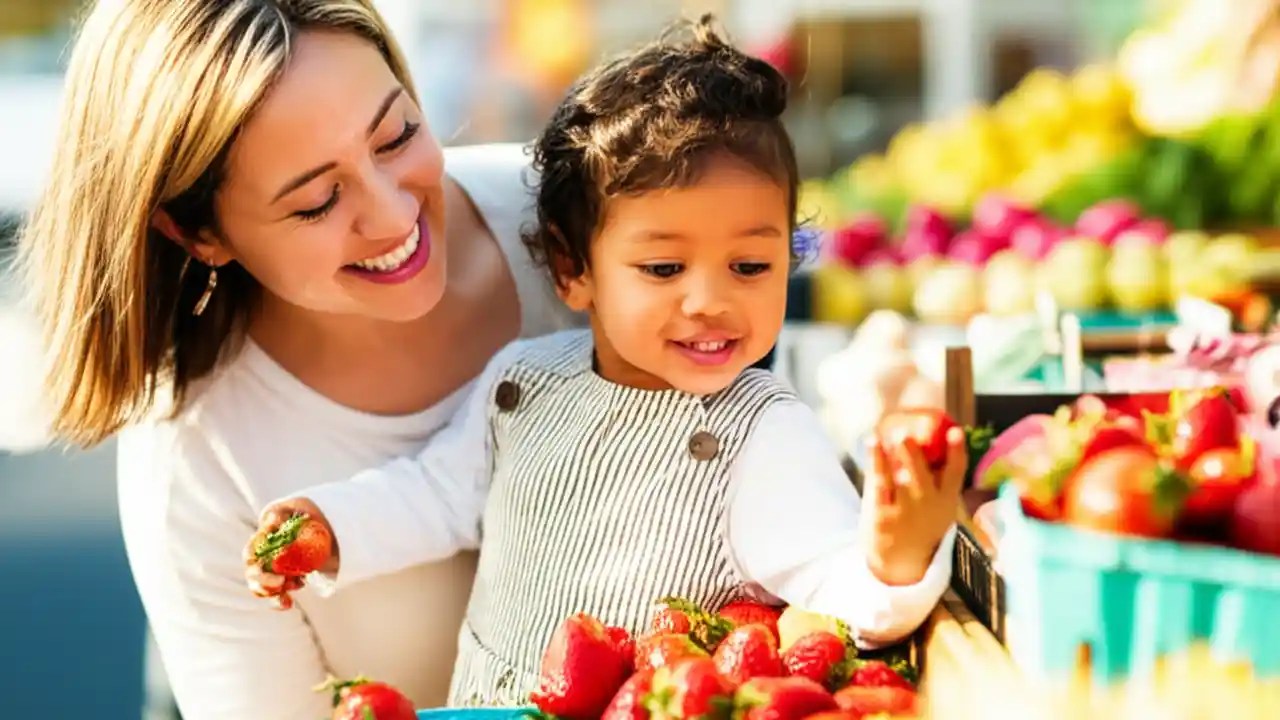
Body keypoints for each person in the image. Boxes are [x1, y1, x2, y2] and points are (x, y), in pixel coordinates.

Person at [247, 16, 963, 708]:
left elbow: (841, 592)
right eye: (662, 268)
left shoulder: (764, 433)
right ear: (572, 270)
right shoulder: (521, 383)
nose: (711, 300)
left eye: (750, 264)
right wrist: (330, 527)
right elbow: (432, 495)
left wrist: (893, 555)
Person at [16, 1, 580, 718]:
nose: (392, 215)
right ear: (197, 232)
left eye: (397, 134)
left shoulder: (594, 220)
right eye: (316, 201)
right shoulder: (197, 461)